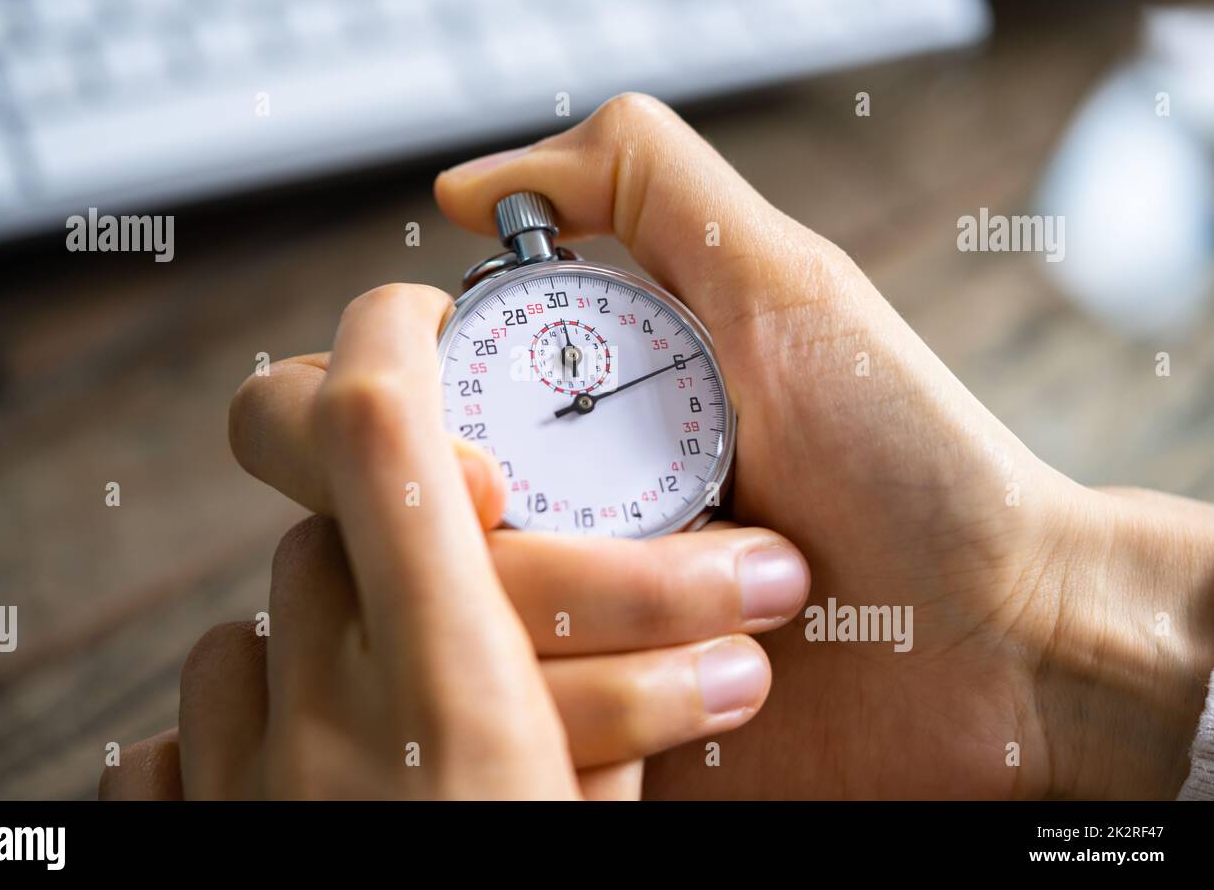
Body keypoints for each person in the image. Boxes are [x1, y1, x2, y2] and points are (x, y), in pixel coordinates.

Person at [101, 94, 1214, 800]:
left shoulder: (654, 369)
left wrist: (1045, 626)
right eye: (560, 388)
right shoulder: (499, 361)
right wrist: (1048, 642)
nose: (584, 396)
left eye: (600, 379)